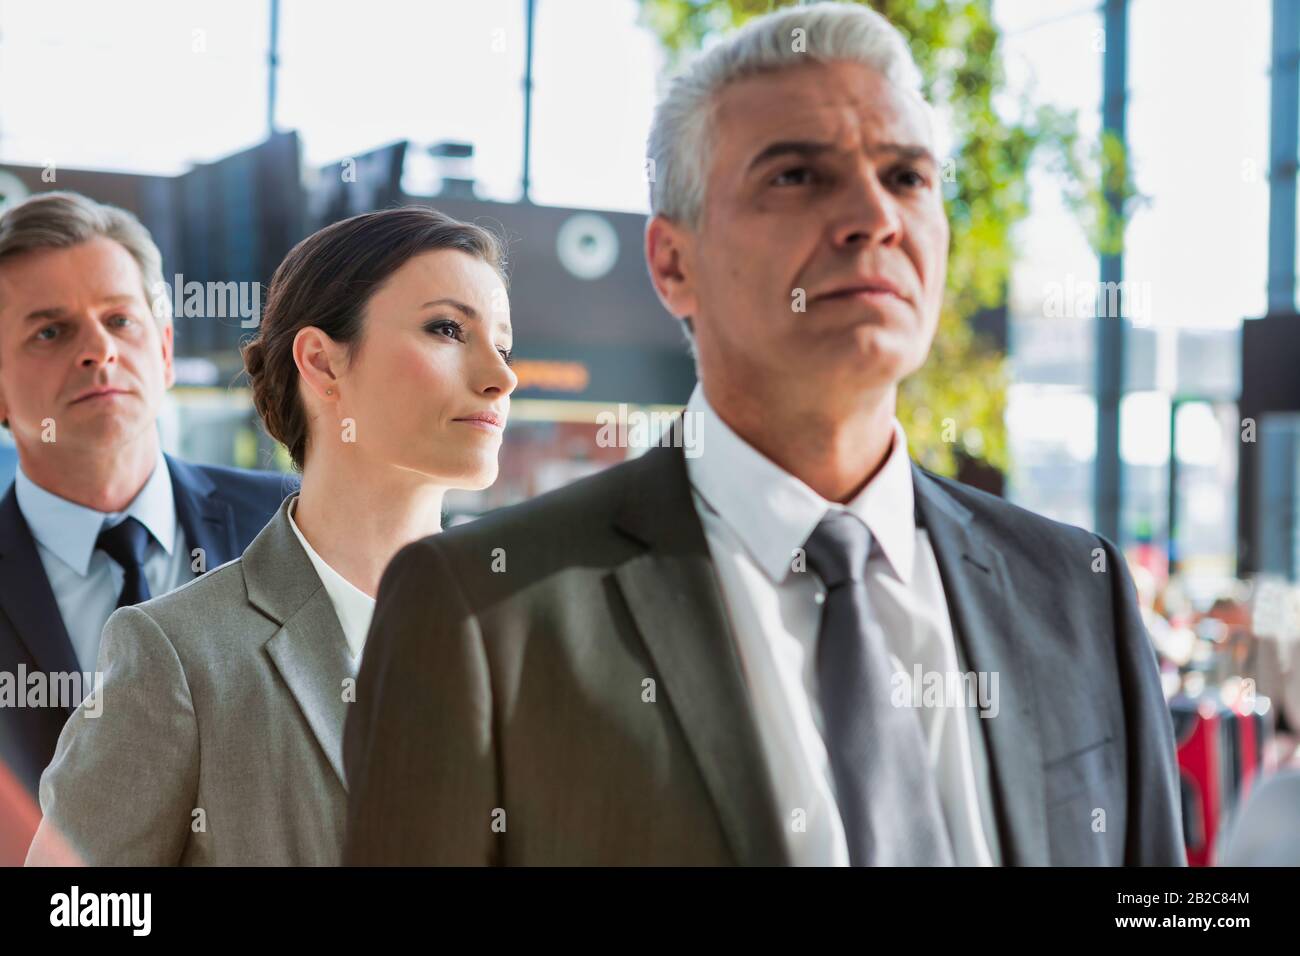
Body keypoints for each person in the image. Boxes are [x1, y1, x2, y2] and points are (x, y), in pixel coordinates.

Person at [344, 2, 1183, 866]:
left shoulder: (1075, 595)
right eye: (797, 177)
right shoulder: (486, 609)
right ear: (673, 262)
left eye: (907, 178)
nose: (873, 216)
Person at [26, 206, 516, 865]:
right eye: (448, 329)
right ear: (321, 363)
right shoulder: (181, 658)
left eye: (505, 345)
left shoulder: (535, 642)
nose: (501, 376)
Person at [0, 192, 293, 814]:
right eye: (51, 330)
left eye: (120, 320)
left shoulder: (298, 524)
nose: (99, 351)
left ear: (163, 351)